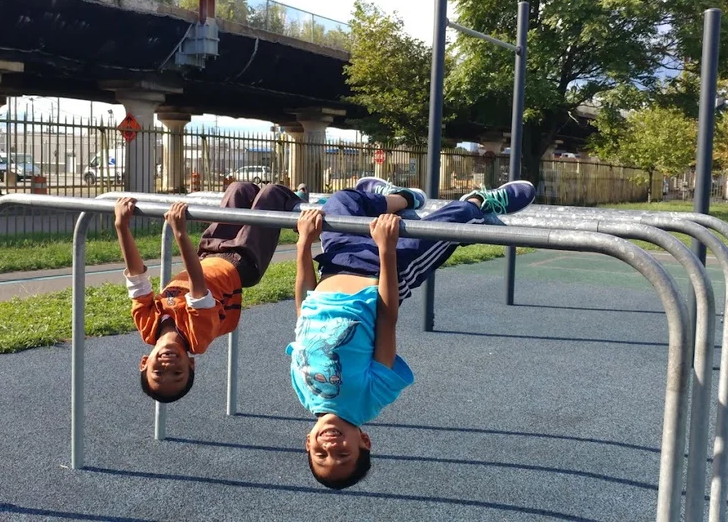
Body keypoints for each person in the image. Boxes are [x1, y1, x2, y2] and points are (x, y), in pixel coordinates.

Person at [289, 177, 536, 489]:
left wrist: (304, 243)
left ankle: (402, 200)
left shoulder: (303, 392)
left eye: (322, 455)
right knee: (448, 224)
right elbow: (387, 318)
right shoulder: (368, 400)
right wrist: (386, 250)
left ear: (308, 443)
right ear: (364, 441)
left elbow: (303, 310)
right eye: (343, 455)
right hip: (387, 270)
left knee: (341, 202)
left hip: (335, 263)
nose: (332, 449)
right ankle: (479, 203)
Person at [116, 182, 303, 403]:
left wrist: (122, 225)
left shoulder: (147, 325)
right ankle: (297, 202)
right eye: (177, 373)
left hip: (209, 253)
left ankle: (261, 195)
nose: (168, 366)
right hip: (242, 263)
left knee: (239, 189)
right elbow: (197, 284)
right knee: (271, 194)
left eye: (158, 372)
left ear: (144, 362)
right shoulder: (198, 337)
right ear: (191, 364)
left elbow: (136, 277)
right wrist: (180, 232)